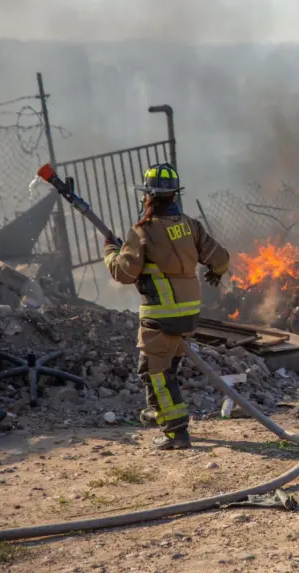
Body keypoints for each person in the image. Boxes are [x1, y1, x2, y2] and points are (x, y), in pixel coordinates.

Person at [104, 163, 230, 450]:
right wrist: (217, 272)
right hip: (189, 315)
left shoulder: (142, 230)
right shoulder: (190, 225)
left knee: (154, 373)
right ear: (174, 195)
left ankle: (176, 431)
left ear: (148, 196)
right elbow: (221, 258)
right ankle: (158, 411)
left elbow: (123, 273)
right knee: (165, 367)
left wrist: (111, 251)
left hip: (160, 317)